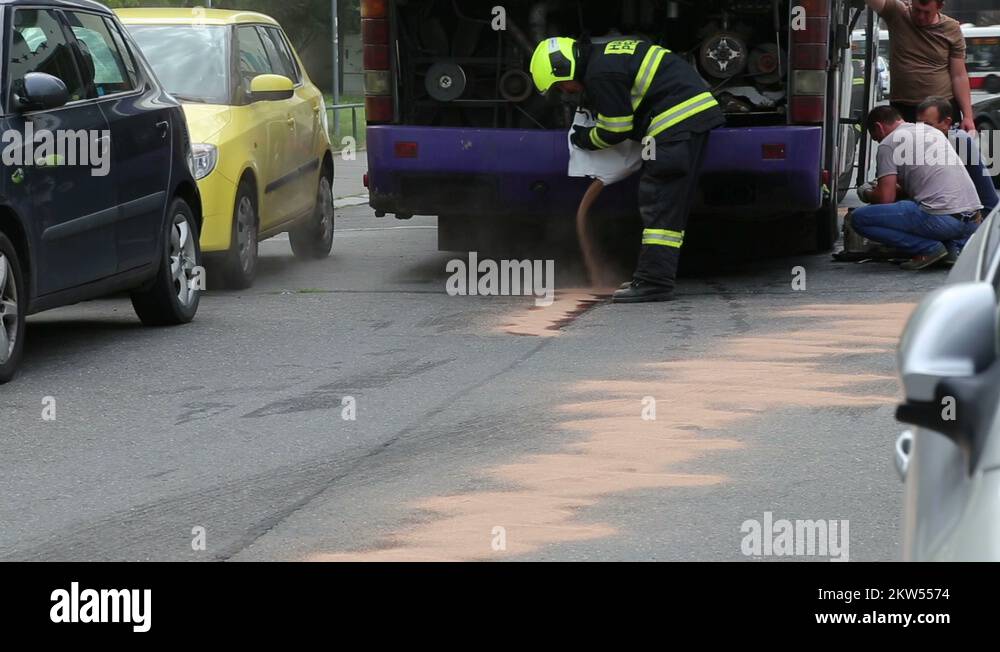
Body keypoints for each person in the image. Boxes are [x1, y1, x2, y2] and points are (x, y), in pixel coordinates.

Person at [529, 37, 724, 303]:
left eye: (560, 85)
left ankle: (654, 283)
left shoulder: (600, 75)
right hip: (687, 118)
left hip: (675, 123)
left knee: (659, 200)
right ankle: (653, 278)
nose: (566, 91)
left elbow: (616, 130)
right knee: (669, 204)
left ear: (564, 67)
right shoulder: (604, 59)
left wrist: (583, 138)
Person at [853, 106, 983, 270]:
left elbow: (886, 198)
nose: (877, 141)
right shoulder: (931, 131)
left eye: (875, 137)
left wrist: (866, 192)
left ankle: (928, 248)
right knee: (922, 205)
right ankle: (950, 249)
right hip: (973, 220)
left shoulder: (888, 143)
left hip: (943, 220)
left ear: (879, 127)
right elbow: (927, 181)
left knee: (858, 219)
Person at [865, 0, 975, 133]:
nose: (921, 16)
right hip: (904, 108)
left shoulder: (951, 28)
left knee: (943, 152)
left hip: (941, 109)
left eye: (927, 12)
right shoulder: (898, 13)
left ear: (939, 7)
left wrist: (968, 116)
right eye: (917, 10)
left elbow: (959, 76)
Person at [917, 97, 998, 214]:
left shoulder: (958, 140)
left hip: (980, 214)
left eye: (928, 125)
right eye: (918, 125)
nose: (921, 131)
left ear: (946, 123)